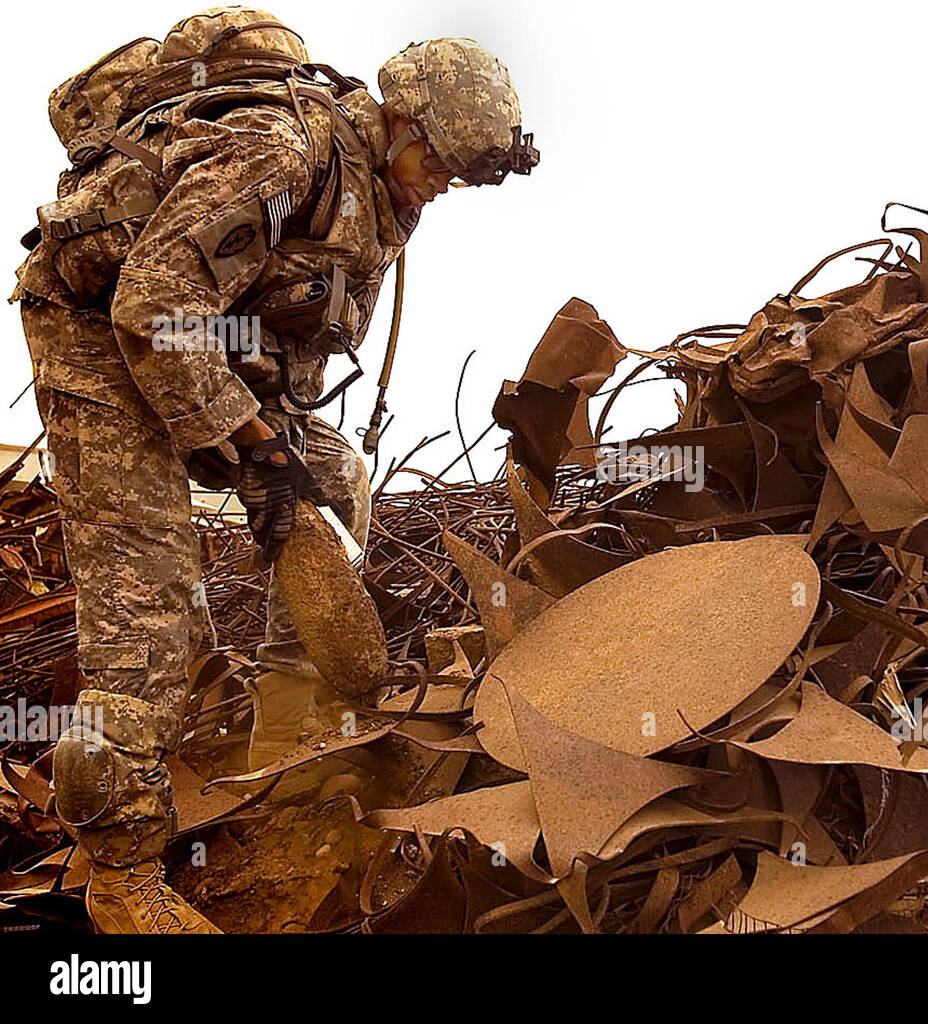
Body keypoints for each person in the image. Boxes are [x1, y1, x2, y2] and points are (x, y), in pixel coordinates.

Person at [11, 6, 537, 933]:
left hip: (210, 356)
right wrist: (253, 450)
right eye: (443, 162)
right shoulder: (282, 151)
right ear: (402, 123)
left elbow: (275, 336)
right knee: (155, 611)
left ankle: (292, 746)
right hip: (105, 341)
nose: (447, 186)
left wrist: (281, 456)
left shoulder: (381, 200)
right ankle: (122, 873)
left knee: (336, 481)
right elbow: (154, 307)